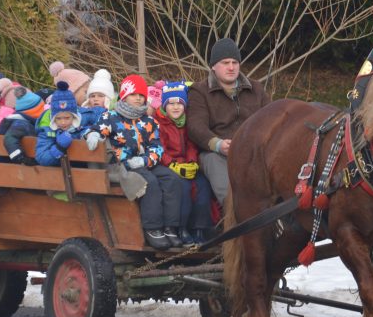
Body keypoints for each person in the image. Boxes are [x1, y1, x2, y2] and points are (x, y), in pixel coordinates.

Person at [98, 74, 184, 249]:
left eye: (141, 95)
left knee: (172, 179)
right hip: (123, 164)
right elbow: (99, 133)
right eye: (133, 94)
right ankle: (153, 228)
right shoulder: (111, 117)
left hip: (144, 162)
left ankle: (170, 227)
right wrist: (93, 135)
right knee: (149, 182)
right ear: (124, 96)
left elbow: (157, 147)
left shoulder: (149, 121)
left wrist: (146, 160)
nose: (138, 98)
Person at [187, 38, 270, 204]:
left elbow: (271, 119)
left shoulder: (256, 89)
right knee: (230, 195)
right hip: (216, 153)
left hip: (255, 151)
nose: (231, 67)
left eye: (235, 62)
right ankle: (233, 220)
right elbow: (195, 126)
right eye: (225, 63)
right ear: (213, 66)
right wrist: (217, 144)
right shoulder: (200, 91)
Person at [156, 81, 214, 245]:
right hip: (167, 165)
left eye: (180, 104)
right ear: (164, 106)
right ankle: (181, 228)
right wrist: (173, 164)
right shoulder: (160, 123)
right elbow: (159, 148)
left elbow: (191, 144)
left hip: (185, 164)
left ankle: (200, 228)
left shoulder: (187, 122)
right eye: (171, 104)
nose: (176, 107)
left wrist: (191, 162)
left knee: (202, 185)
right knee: (183, 188)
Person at [36, 81, 91, 166]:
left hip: (83, 173)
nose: (63, 122)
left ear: (74, 116)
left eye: (67, 118)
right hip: (59, 174)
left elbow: (98, 113)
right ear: (53, 118)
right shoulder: (47, 131)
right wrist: (59, 148)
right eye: (58, 118)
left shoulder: (80, 125)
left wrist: (90, 132)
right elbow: (41, 157)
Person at [0, 89, 47, 165]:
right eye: (42, 108)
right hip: (23, 165)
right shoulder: (21, 124)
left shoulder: (28, 122)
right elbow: (9, 138)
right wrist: (20, 157)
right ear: (36, 111)